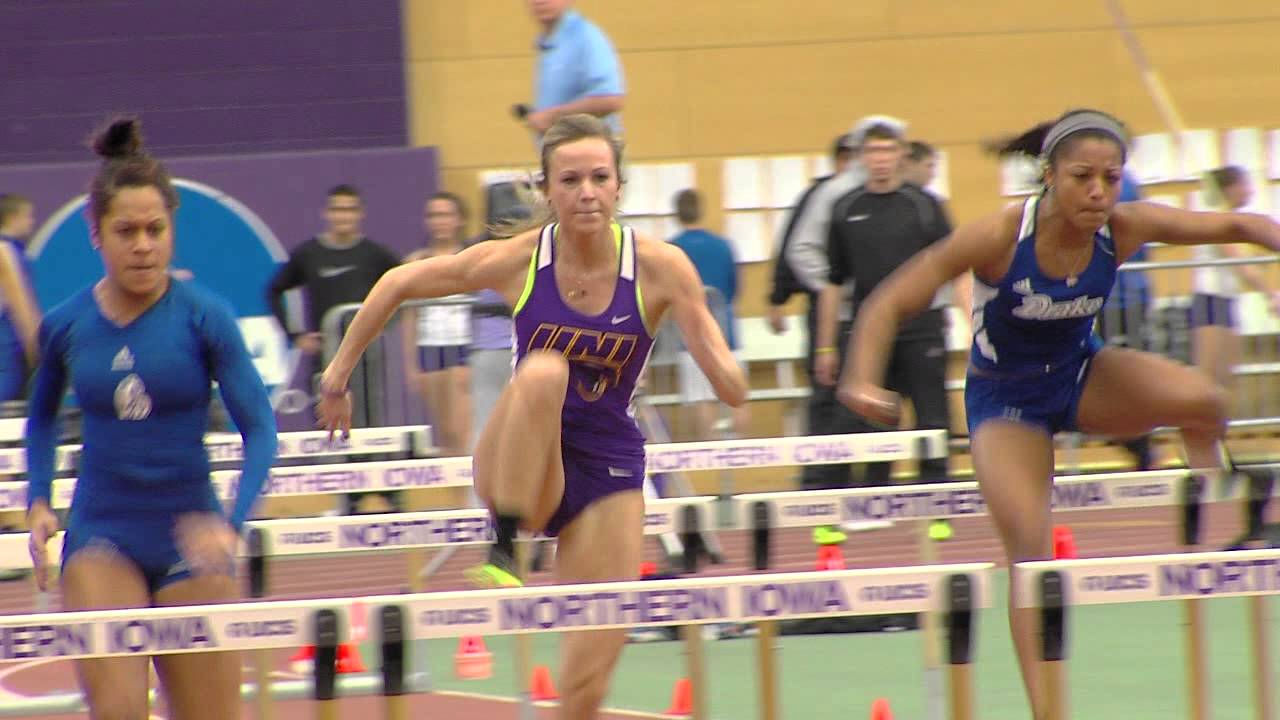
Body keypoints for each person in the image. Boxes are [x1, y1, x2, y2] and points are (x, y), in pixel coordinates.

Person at [836, 108, 1280, 719]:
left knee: (1208, 401)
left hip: (1082, 376)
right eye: (1082, 177)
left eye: (1111, 177)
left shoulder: (1123, 226)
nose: (1099, 191)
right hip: (1006, 399)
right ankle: (1048, 711)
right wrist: (860, 379)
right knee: (1032, 556)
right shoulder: (998, 236)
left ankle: (1203, 479)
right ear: (1049, 175)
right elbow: (889, 301)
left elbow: (1233, 220)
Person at [317, 114, 746, 720]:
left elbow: (727, 377)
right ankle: (505, 547)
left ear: (620, 186)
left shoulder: (660, 267)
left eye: (600, 177)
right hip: (524, 458)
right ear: (546, 189)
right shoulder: (519, 259)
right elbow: (396, 283)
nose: (587, 192)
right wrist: (337, 375)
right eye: (570, 180)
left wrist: (729, 373)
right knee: (545, 371)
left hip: (607, 465)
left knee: (586, 687)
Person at [24, 118, 277, 720]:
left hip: (193, 541)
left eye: (156, 230)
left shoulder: (204, 317)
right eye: (126, 231)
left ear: (172, 230)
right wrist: (38, 499)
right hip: (101, 537)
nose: (143, 244)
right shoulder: (65, 325)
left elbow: (262, 429)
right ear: (96, 235)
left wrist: (232, 522)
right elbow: (41, 422)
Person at [265, 184, 400, 513]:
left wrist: (387, 325)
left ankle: (387, 493)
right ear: (326, 214)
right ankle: (346, 497)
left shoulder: (374, 255)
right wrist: (296, 335)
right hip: (325, 360)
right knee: (332, 423)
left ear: (360, 214)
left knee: (371, 423)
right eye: (337, 210)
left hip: (366, 359)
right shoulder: (309, 255)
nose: (343, 216)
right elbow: (274, 290)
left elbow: (404, 285)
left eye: (350, 210)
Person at [669, 188, 749, 439]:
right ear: (701, 211)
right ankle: (743, 454)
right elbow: (735, 288)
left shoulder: (672, 250)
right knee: (737, 397)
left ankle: (710, 460)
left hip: (690, 337)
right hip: (727, 333)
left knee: (700, 396)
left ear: (677, 214)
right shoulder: (724, 246)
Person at [403, 191, 473, 457]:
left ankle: (470, 493)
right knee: (444, 433)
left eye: (446, 214)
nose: (439, 221)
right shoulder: (415, 261)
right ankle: (456, 496)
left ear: (460, 220)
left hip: (464, 346)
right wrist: (410, 366)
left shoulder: (472, 255)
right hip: (430, 348)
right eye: (433, 215)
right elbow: (410, 317)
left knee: (461, 429)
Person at [521, 0, 625, 142]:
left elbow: (610, 99)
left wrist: (551, 117)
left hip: (590, 158)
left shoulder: (586, 37)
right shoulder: (548, 43)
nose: (540, 1)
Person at [0, 194, 41, 401]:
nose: (31, 222)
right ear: (12, 217)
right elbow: (22, 310)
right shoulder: (6, 253)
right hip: (8, 359)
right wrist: (39, 354)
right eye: (28, 216)